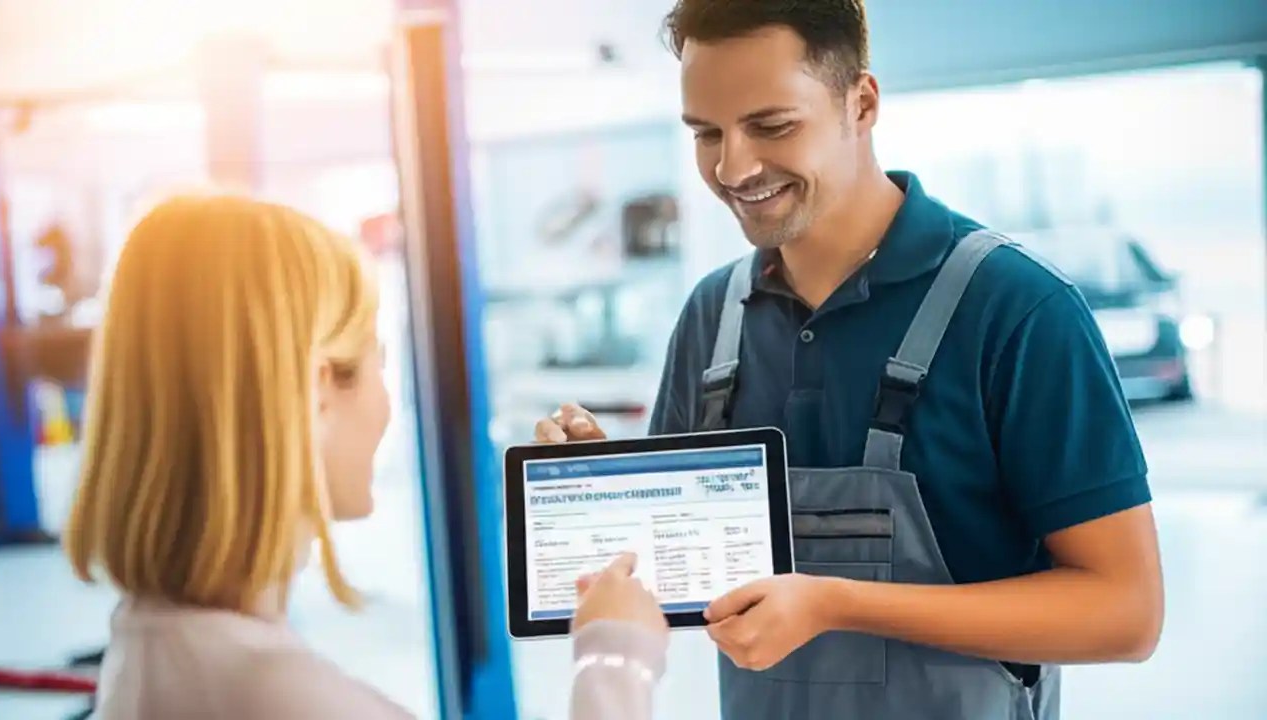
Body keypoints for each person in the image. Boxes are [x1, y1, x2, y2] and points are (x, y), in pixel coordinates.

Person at [533, 1, 1165, 718]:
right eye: (707, 133)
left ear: (860, 103)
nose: (733, 166)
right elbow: (675, 571)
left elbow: (1126, 610)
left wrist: (836, 603)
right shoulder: (712, 317)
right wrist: (604, 486)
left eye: (772, 126)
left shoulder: (1018, 310)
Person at [63, 194, 668, 720]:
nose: (385, 401)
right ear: (321, 390)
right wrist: (615, 659)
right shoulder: (274, 695)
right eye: (377, 360)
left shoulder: (149, 646)